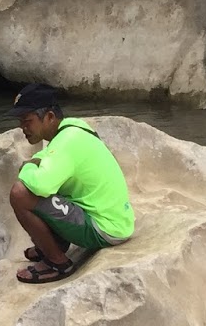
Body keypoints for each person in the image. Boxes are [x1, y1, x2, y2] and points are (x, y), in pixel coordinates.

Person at [9, 83, 134, 284]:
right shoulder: (74, 130)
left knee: (21, 193)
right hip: (117, 220)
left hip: (105, 228)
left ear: (49, 117)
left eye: (27, 120)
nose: (22, 127)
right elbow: (51, 163)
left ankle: (57, 263)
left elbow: (40, 185)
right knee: (47, 188)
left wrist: (27, 166)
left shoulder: (65, 143)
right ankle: (52, 244)